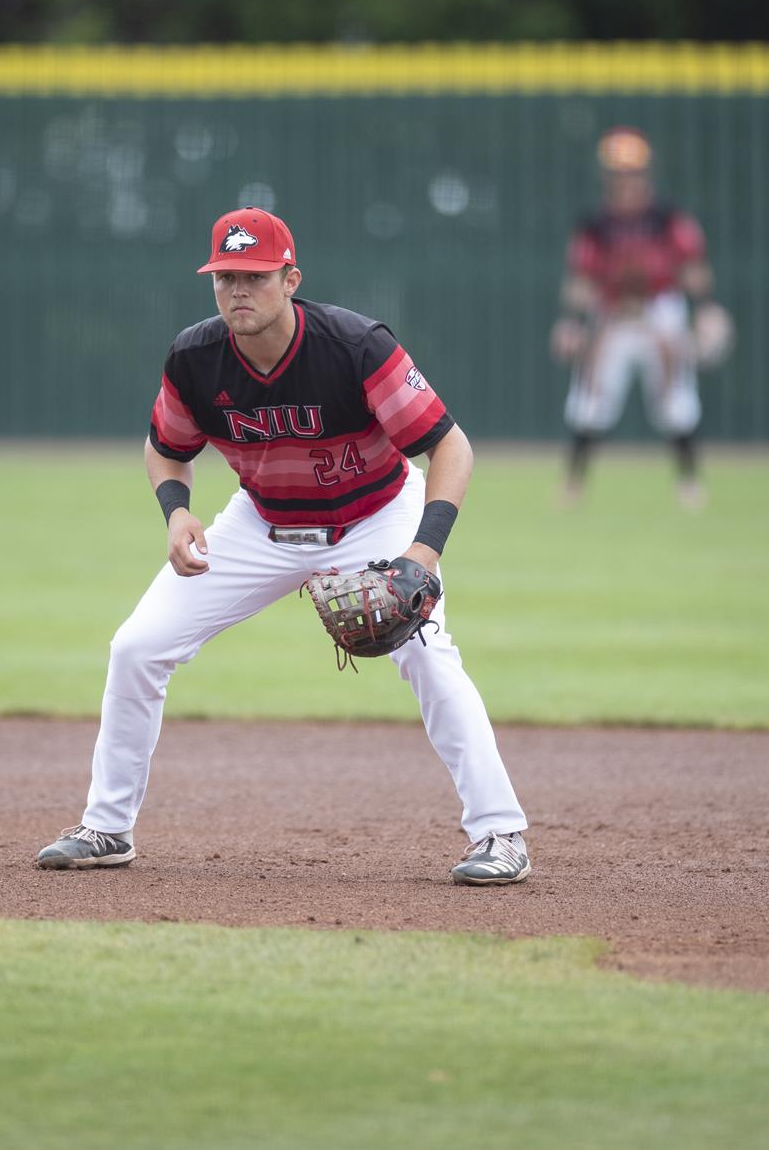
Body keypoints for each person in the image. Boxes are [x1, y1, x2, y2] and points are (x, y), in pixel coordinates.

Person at [36, 206, 532, 886]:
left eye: (255, 276)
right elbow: (165, 449)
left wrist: (422, 554)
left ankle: (501, 833)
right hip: (261, 521)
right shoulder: (194, 356)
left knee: (427, 657)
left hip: (376, 516)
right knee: (136, 647)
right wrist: (177, 514)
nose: (237, 290)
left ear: (291, 278)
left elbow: (451, 446)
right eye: (225, 276)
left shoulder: (356, 347)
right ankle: (106, 826)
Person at [551, 127, 717, 508]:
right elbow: (581, 279)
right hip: (612, 314)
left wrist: (707, 309)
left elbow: (691, 266)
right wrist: (571, 321)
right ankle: (573, 484)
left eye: (632, 172)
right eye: (617, 172)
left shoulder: (666, 217)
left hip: (660, 310)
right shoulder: (596, 224)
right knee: (590, 398)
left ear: (645, 174)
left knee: (676, 398)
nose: (625, 180)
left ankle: (689, 483)